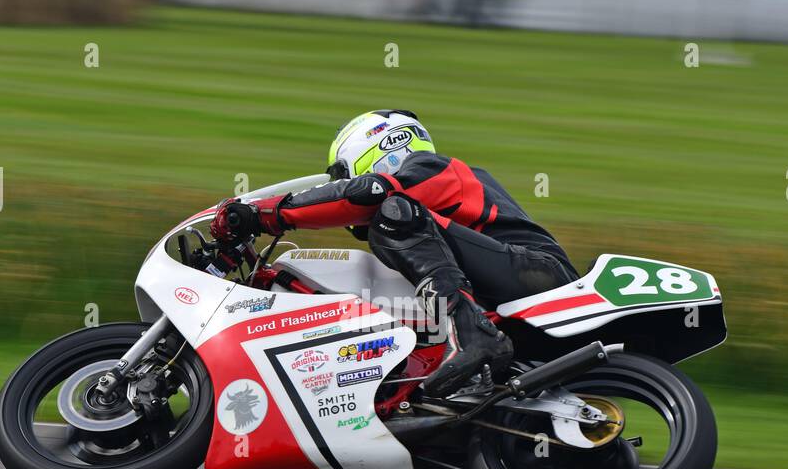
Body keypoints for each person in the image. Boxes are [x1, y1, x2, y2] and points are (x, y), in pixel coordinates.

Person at [210, 109, 579, 396]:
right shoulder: (432, 198)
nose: (343, 182)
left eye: (344, 172)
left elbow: (367, 192)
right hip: (515, 282)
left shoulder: (433, 169)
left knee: (395, 216)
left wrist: (265, 213)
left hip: (537, 273)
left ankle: (474, 334)